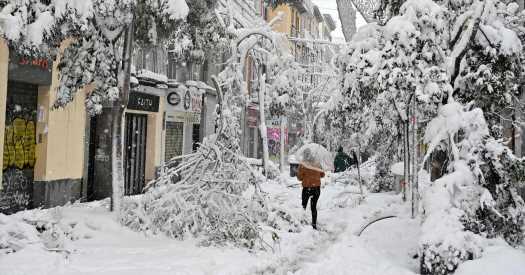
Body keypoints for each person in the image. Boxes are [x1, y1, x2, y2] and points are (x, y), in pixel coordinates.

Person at [297, 148, 325, 230]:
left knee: (303, 206)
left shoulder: (303, 164)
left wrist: (303, 175)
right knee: (313, 207)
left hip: (307, 188)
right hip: (316, 188)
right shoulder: (317, 163)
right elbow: (322, 174)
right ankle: (314, 225)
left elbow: (299, 177)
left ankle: (302, 224)